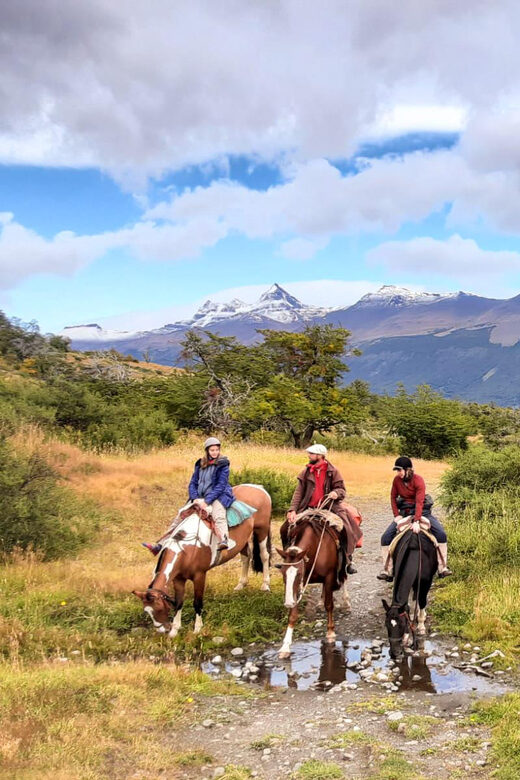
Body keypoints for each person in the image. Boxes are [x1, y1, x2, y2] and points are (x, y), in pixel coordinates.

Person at [142, 436, 234, 554]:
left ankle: (223, 540)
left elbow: (220, 486)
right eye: (212, 450)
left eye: (217, 450)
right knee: (180, 516)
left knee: (218, 515)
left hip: (218, 496)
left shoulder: (223, 464)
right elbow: (193, 483)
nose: (215, 452)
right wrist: (195, 498)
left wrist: (206, 501)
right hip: (199, 497)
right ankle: (160, 545)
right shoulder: (200, 464)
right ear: (207, 451)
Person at [285, 444, 362, 574]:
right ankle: (289, 558)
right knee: (286, 528)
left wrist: (336, 493)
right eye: (309, 453)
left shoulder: (333, 471)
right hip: (308, 508)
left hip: (330, 507)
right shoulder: (306, 472)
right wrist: (292, 510)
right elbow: (298, 492)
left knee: (347, 528)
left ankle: (348, 559)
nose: (309, 456)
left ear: (320, 456)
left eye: (312, 454)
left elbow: (342, 489)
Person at [377, 456, 452, 581]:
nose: (398, 473)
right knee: (385, 537)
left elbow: (419, 502)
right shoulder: (396, 480)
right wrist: (396, 516)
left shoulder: (419, 480)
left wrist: (417, 521)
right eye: (397, 470)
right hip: (404, 512)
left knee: (441, 534)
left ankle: (442, 567)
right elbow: (393, 498)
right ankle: (388, 570)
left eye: (400, 470)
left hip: (423, 512)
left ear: (408, 470)